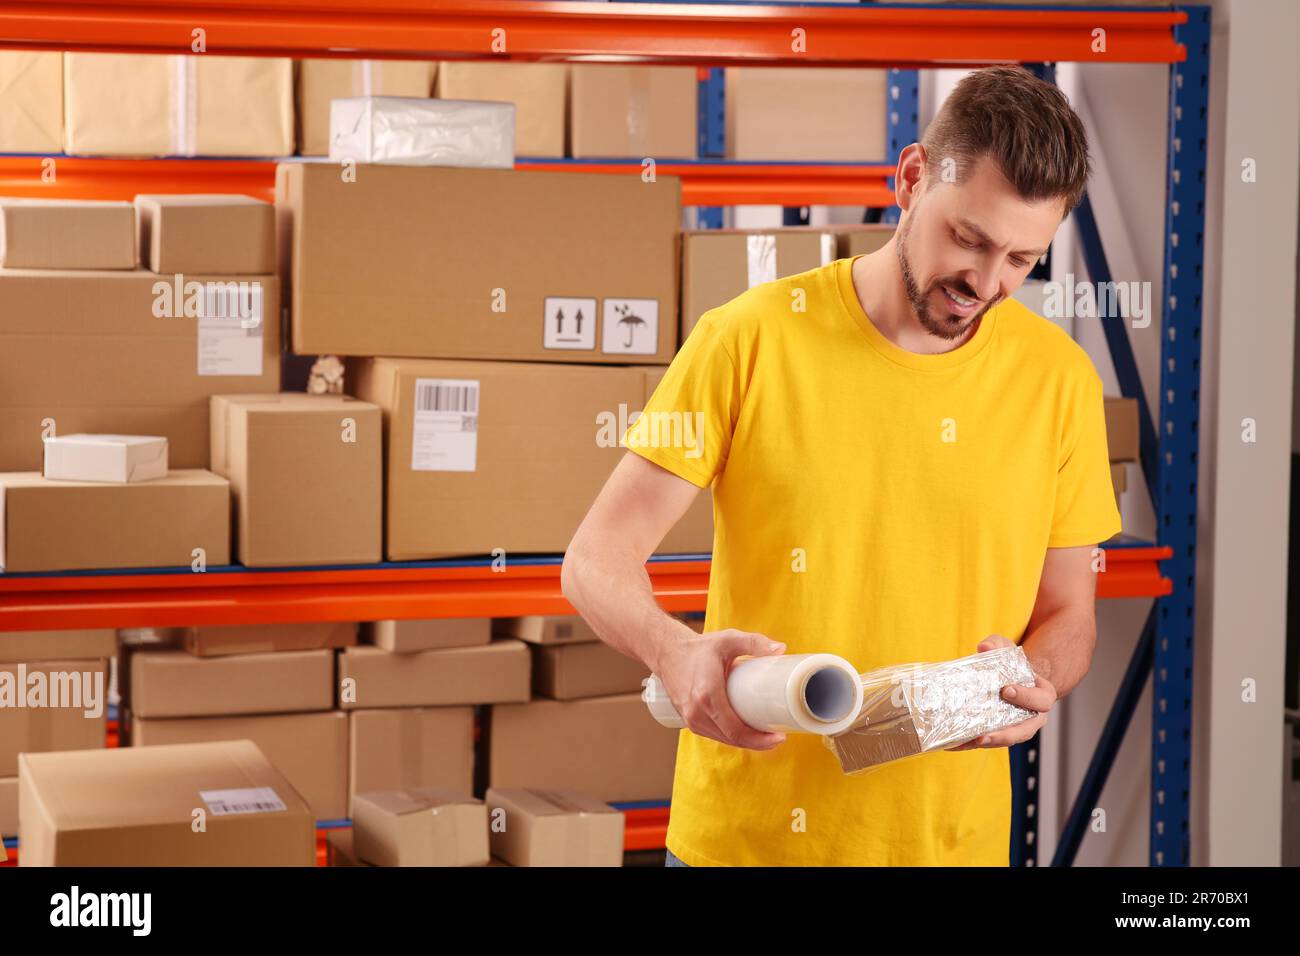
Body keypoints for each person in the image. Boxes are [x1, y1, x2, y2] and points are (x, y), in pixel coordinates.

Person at [561, 65, 1121, 867]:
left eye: (1021, 260)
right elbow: (594, 563)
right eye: (968, 238)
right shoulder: (749, 340)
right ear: (911, 178)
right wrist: (675, 652)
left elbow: (1072, 612)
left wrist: (1040, 679)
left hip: (949, 846)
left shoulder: (1058, 380)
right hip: (746, 844)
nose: (985, 283)